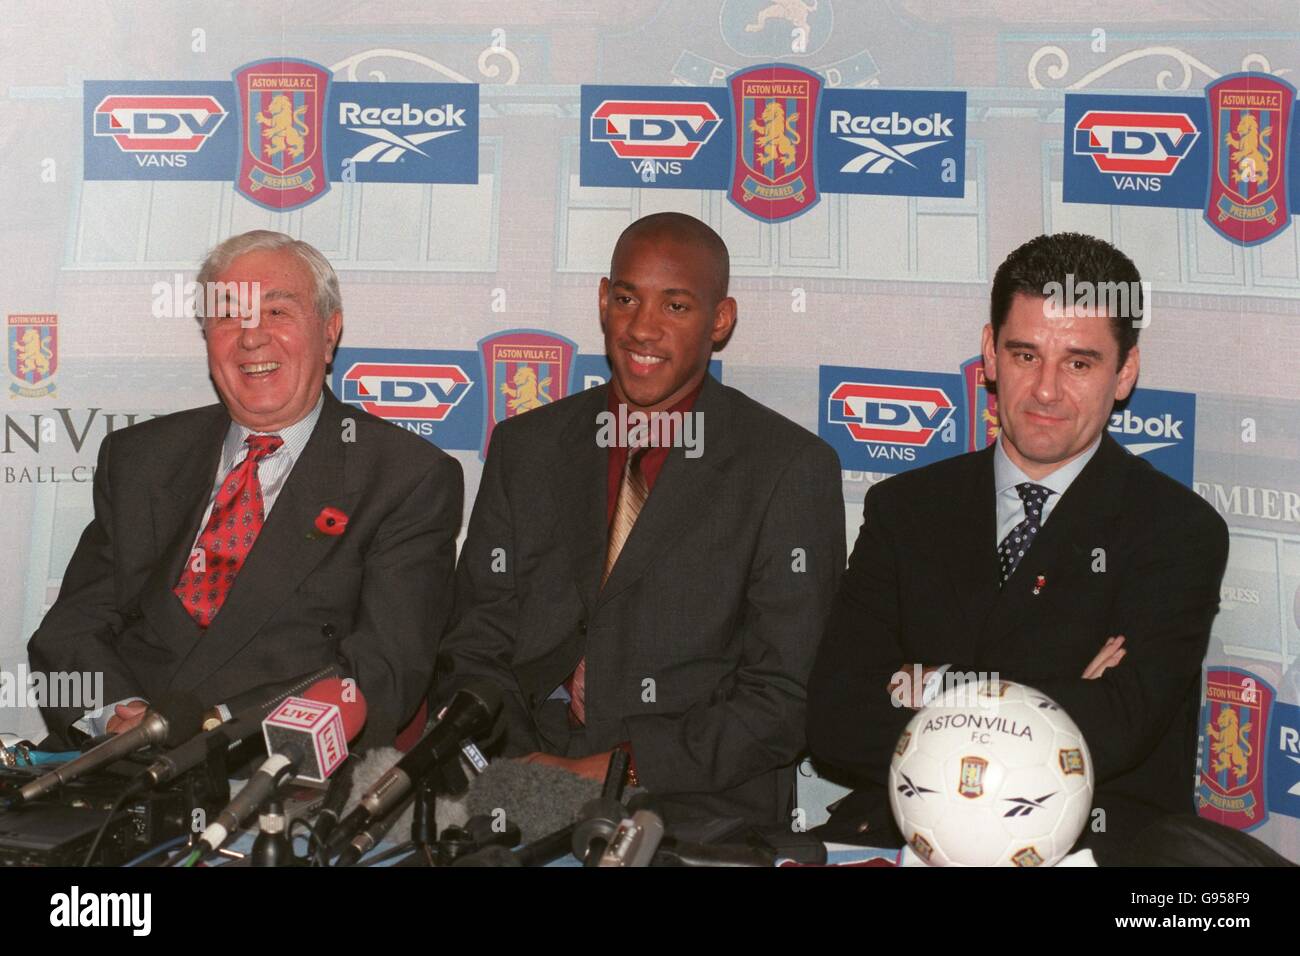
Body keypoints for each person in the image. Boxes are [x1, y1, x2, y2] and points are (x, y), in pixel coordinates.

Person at [807, 232, 1229, 861]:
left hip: (1092, 849)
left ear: (1125, 374)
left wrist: (931, 683)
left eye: (1079, 363)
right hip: (903, 839)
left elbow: (1117, 733)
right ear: (989, 354)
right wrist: (1060, 685)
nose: (1047, 391)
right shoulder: (906, 509)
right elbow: (837, 720)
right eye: (1026, 355)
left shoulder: (1176, 531)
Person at [436, 212, 845, 828]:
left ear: (721, 320)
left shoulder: (786, 468)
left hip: (696, 805)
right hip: (518, 785)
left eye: (676, 306)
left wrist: (618, 768)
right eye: (627, 298)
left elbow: (784, 697)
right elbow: (475, 644)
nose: (643, 329)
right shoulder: (527, 447)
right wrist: (520, 763)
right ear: (603, 301)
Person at [29, 231, 463, 750]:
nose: (251, 337)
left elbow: (383, 674)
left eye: (278, 313)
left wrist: (208, 729)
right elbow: (72, 629)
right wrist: (121, 716)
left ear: (329, 334)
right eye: (228, 316)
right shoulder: (140, 458)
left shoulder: (404, 476)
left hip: (280, 779)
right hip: (123, 769)